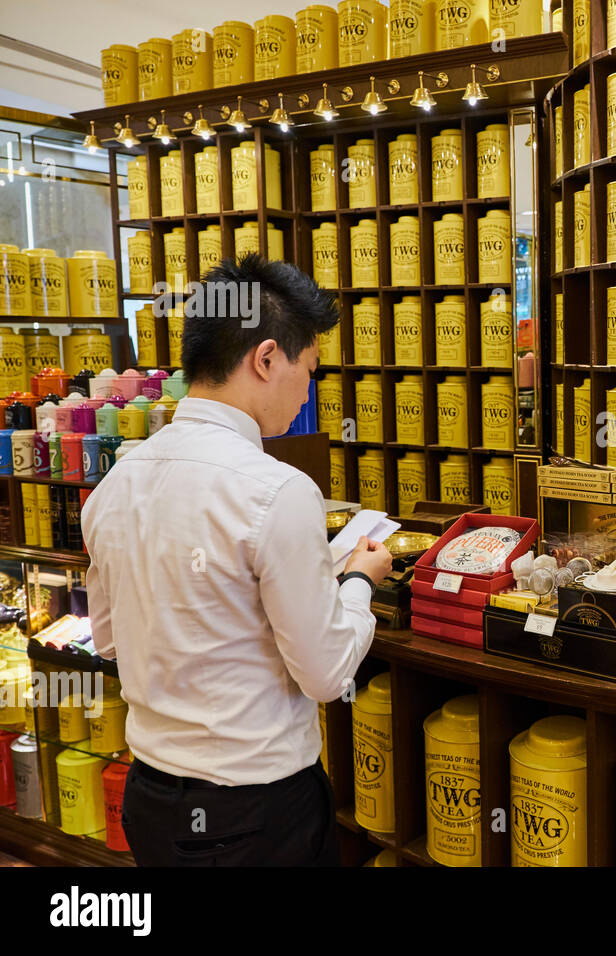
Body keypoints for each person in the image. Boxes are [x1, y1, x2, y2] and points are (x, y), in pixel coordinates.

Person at [83, 255, 393, 866]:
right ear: (267, 357)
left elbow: (111, 640)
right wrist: (358, 579)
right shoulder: (277, 490)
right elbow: (327, 675)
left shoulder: (119, 480)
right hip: (256, 812)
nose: (309, 390)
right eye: (310, 370)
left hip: (149, 798)